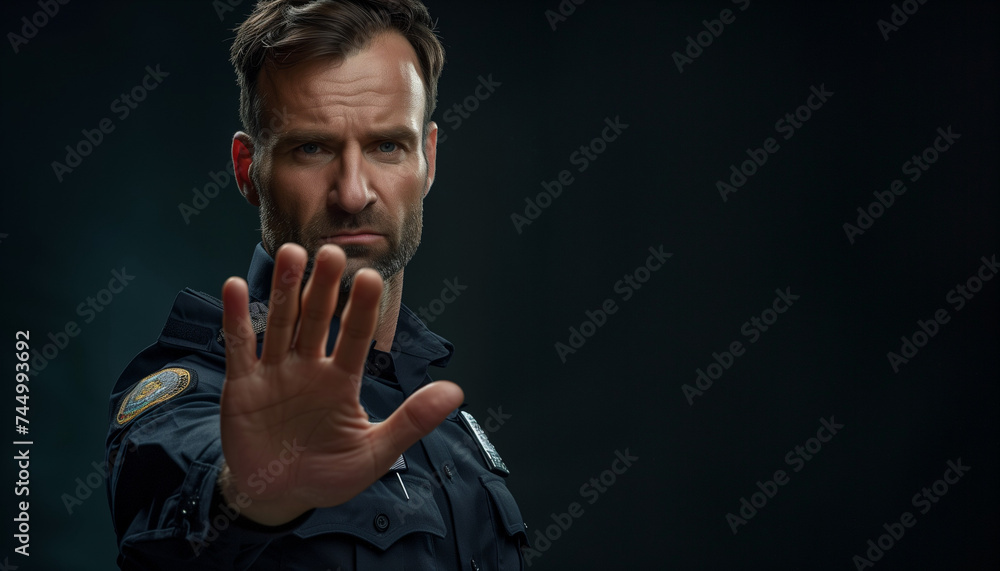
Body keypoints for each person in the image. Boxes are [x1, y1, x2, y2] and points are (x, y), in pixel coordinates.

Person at [104, 1, 527, 568]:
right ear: (247, 169)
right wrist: (250, 496)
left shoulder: (446, 427)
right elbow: (176, 490)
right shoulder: (195, 393)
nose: (353, 193)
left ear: (426, 159)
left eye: (386, 146)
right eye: (312, 148)